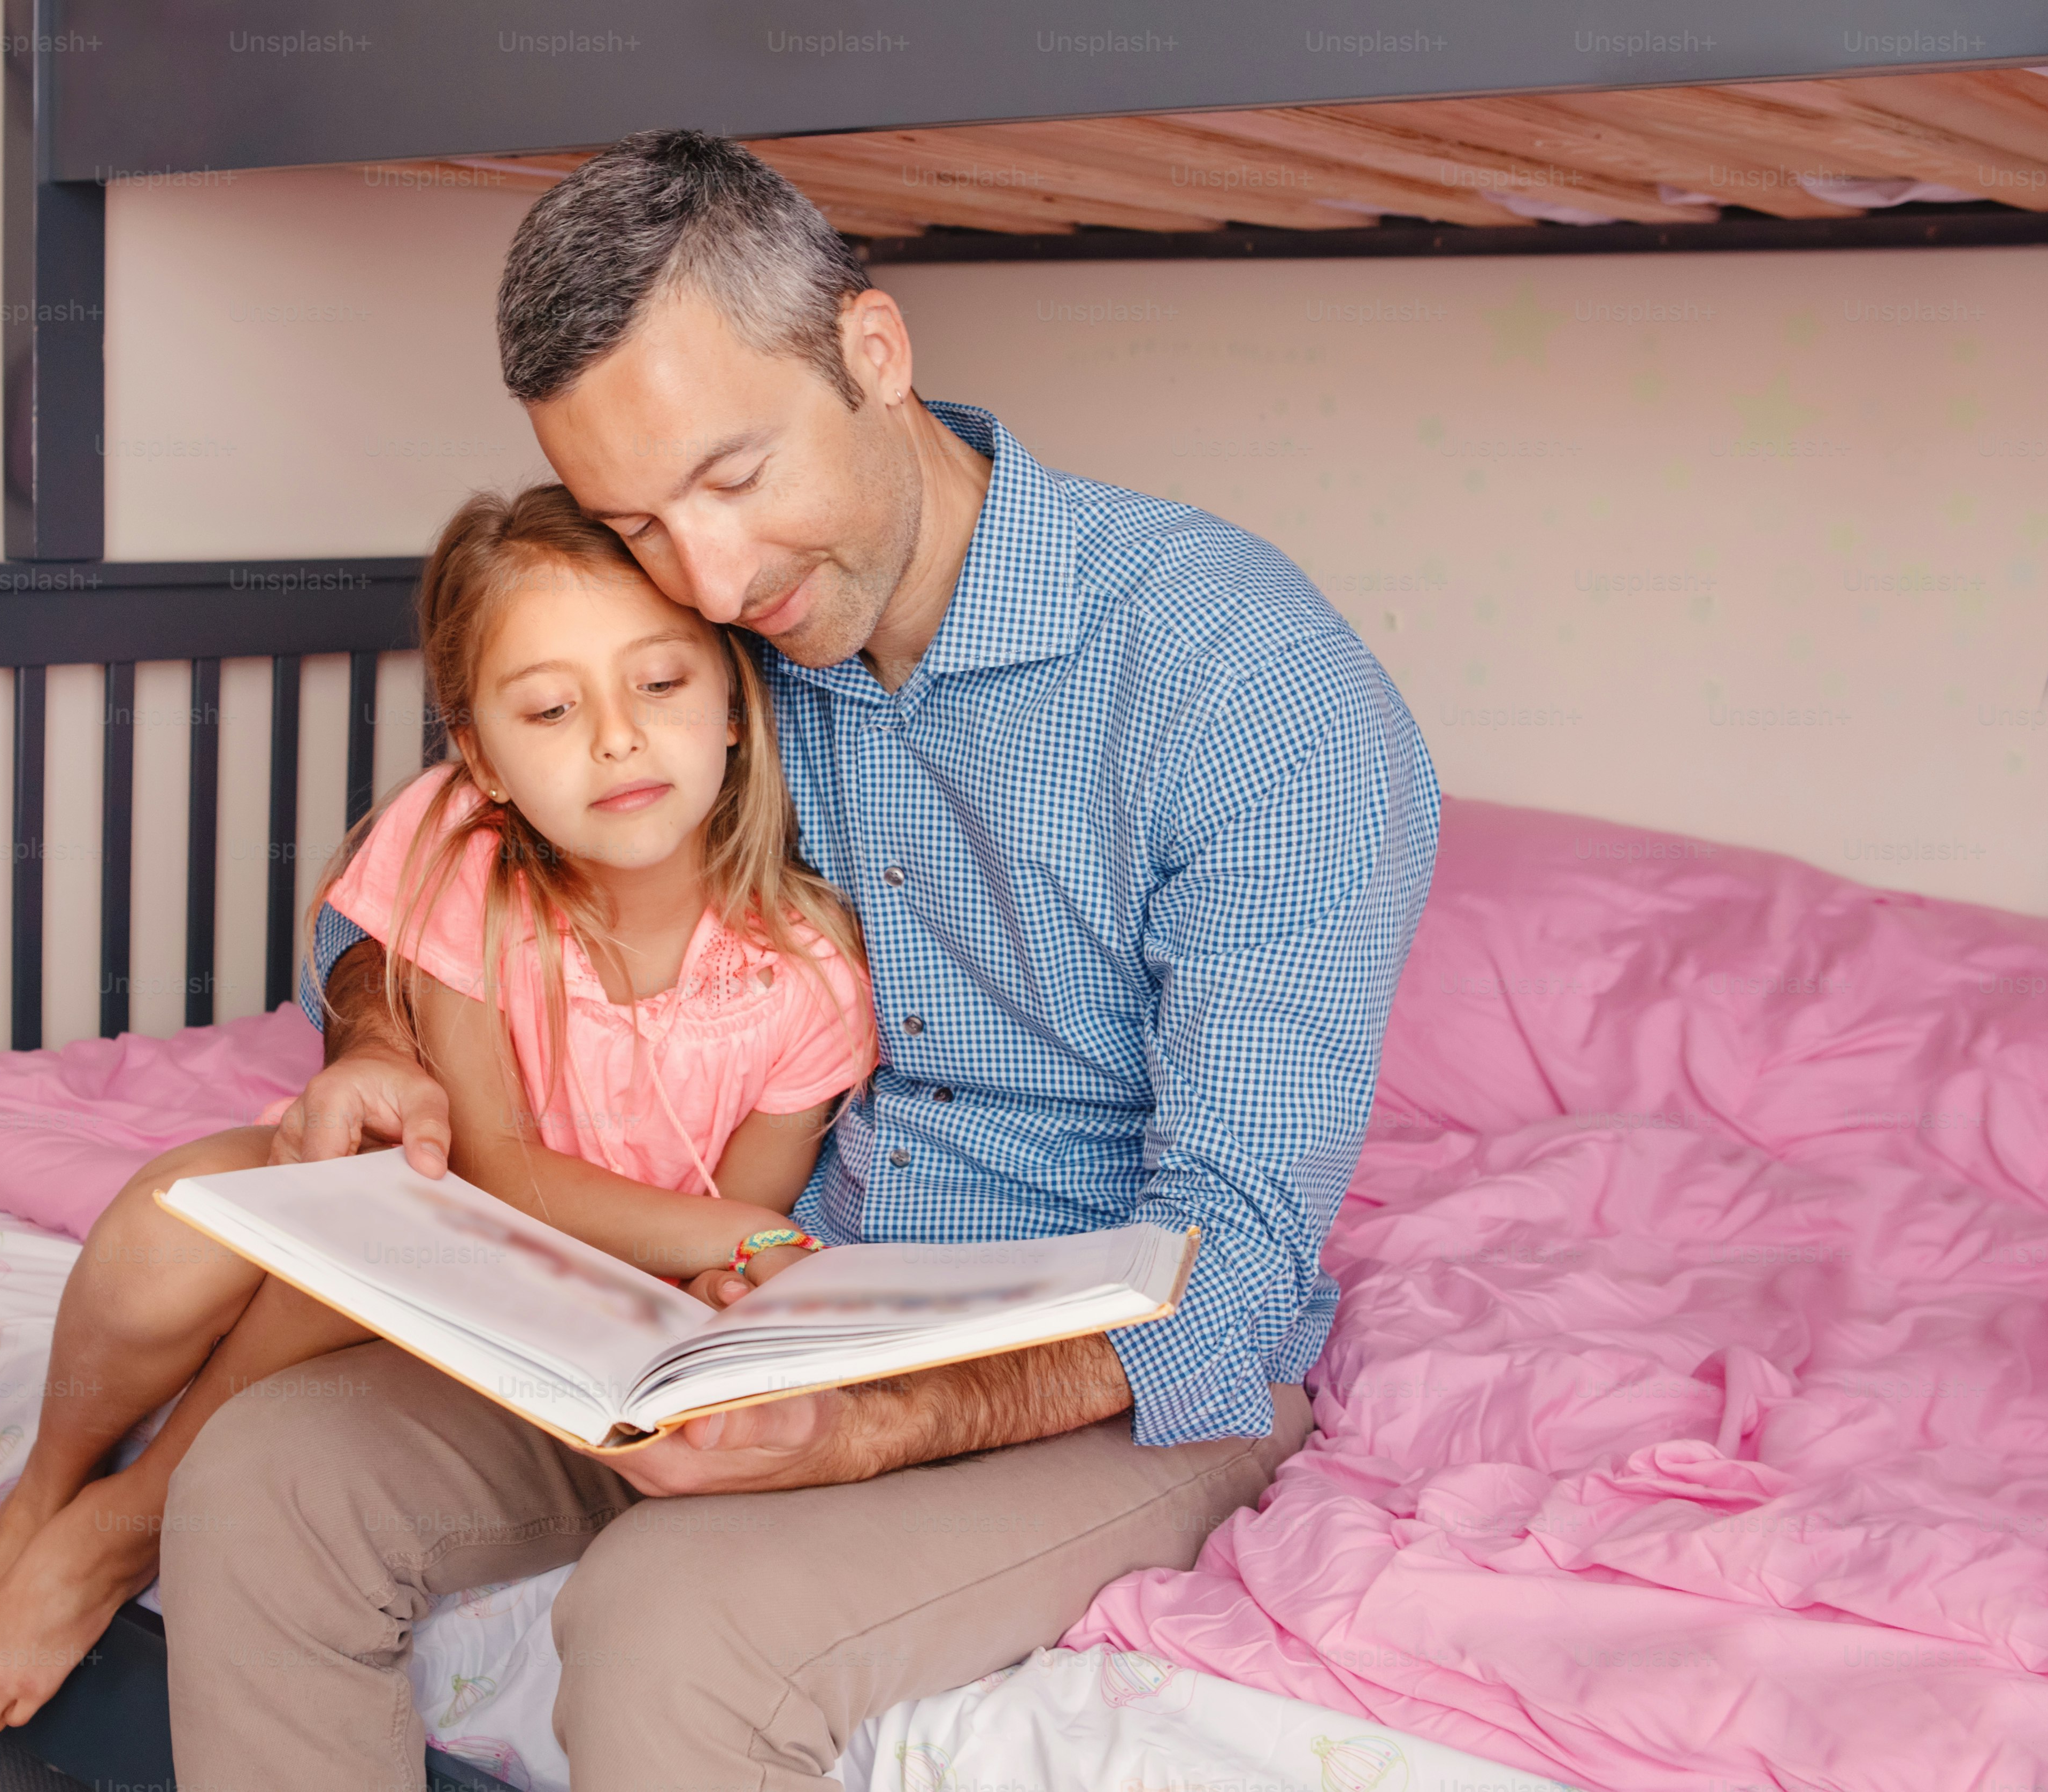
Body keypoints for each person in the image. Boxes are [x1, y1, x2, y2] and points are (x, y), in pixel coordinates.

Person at [159, 130, 1443, 1790]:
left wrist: (869, 1425)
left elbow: (1240, 1261)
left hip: (1095, 1373)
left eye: (729, 478)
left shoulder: (1246, 693)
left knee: (671, 1624)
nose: (706, 579)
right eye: (637, 522)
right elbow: (445, 848)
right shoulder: (725, 641)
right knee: (266, 1481)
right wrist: (377, 1033)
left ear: (873, 353)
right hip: (760, 1307)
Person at [0, 483, 875, 1732]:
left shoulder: (805, 973)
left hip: (571, 1306)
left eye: (662, 685)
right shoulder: (463, 861)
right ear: (478, 753)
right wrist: (731, 1240)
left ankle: (128, 1515)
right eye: (549, 707)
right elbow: (490, 1169)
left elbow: (737, 1217)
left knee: (382, 1216)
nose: (618, 740)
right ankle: (57, 1493)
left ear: (738, 709)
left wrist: (736, 1245)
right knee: (188, 1213)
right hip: (448, 1214)